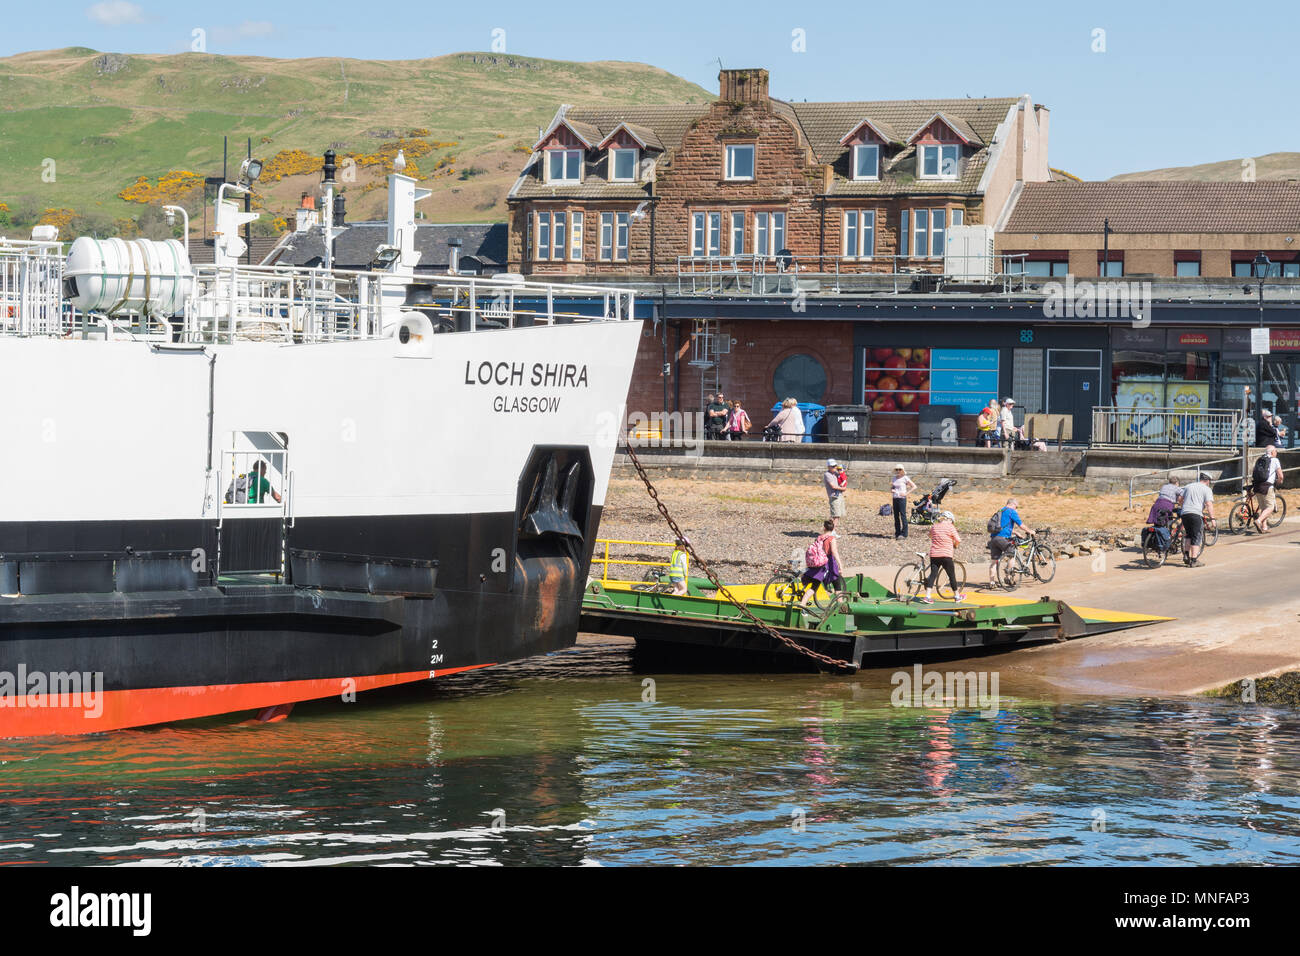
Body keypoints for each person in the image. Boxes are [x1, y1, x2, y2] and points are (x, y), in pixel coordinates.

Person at [918, 510, 965, 604]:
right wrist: (955, 544)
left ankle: (927, 596)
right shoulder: (950, 527)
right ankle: (957, 596)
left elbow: (930, 536)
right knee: (951, 575)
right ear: (950, 519)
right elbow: (958, 540)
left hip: (934, 554)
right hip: (946, 555)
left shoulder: (934, 526)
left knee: (933, 574)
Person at [986, 497, 1029, 588]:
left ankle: (992, 582)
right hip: (1002, 538)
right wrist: (1030, 531)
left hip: (993, 538)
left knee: (994, 561)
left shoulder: (1000, 510)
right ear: (1012, 504)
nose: (1016, 509)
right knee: (1012, 555)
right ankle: (1008, 577)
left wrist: (1015, 532)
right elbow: (1021, 525)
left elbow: (1001, 527)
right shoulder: (1011, 511)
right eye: (1016, 507)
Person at [800, 519, 842, 606]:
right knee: (837, 585)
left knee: (814, 587)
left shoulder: (819, 538)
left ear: (824, 528)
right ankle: (841, 607)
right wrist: (840, 565)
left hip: (819, 564)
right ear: (833, 529)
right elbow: (834, 552)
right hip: (829, 564)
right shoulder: (831, 539)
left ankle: (802, 604)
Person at [1179, 474, 1214, 566]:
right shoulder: (1207, 489)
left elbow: (1180, 499)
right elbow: (1209, 504)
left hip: (1185, 513)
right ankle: (1194, 561)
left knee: (1188, 535)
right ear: (1208, 481)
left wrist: (1183, 507)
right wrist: (1212, 519)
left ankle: (1186, 555)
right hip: (1196, 514)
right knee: (1196, 536)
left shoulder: (1188, 486)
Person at [1253, 445, 1284, 533]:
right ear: (1272, 452)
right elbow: (1280, 475)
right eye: (1276, 451)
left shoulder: (1260, 459)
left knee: (1264, 508)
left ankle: (1264, 527)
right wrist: (1279, 481)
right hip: (1267, 486)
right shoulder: (1275, 460)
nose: (1276, 452)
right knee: (1270, 507)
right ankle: (1258, 521)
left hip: (1257, 486)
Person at [890, 465, 917, 539]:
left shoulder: (905, 478)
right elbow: (892, 487)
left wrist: (906, 493)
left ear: (902, 470)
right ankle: (897, 533)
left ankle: (904, 533)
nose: (898, 471)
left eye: (900, 469)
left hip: (902, 499)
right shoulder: (894, 478)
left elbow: (914, 486)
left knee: (903, 515)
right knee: (896, 516)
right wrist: (892, 490)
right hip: (895, 498)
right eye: (897, 469)